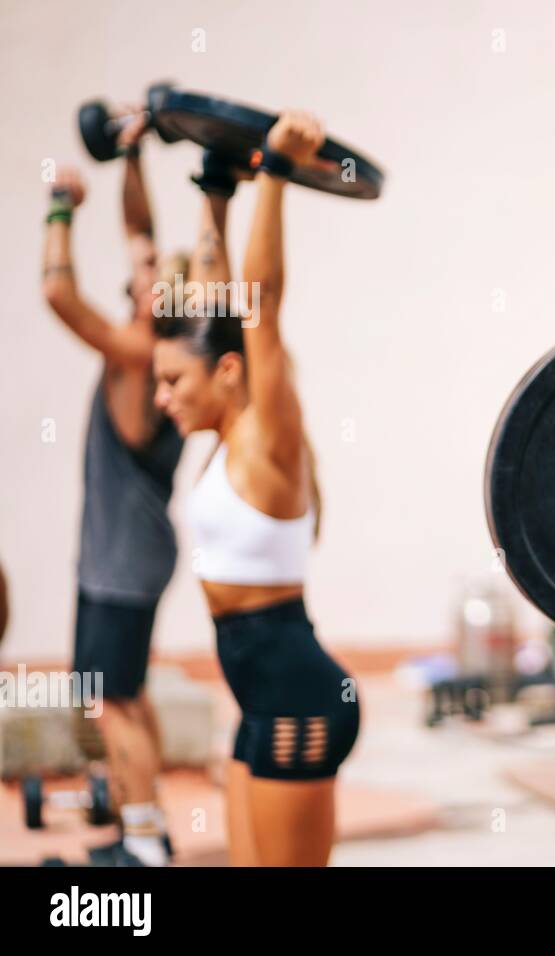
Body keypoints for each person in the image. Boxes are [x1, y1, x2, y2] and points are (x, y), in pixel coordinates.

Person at [152, 110, 360, 867]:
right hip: (259, 696)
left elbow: (256, 310)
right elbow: (220, 306)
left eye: (173, 380)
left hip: (297, 695)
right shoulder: (223, 443)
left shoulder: (266, 440)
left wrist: (274, 172)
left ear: (230, 375)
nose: (164, 397)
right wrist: (214, 190)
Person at [41, 111, 183, 867]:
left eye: (158, 271)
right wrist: (132, 158)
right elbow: (142, 234)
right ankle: (143, 825)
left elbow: (60, 299)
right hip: (131, 552)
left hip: (121, 560)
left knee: (109, 699)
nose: (147, 265)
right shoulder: (163, 335)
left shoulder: (137, 349)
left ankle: (145, 846)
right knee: (126, 694)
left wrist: (60, 208)